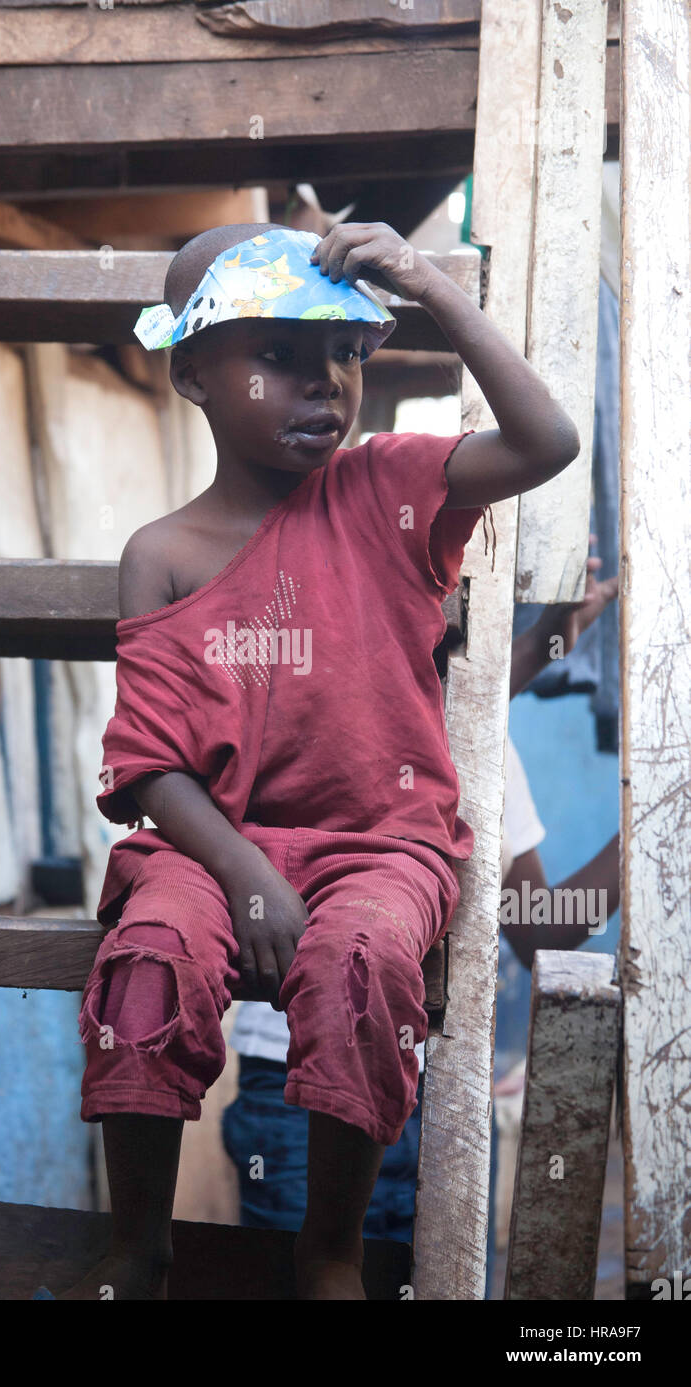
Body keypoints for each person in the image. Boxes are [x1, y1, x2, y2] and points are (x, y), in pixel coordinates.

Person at [55, 220, 581, 1301]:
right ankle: (141, 1239)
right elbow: (150, 764)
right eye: (279, 357)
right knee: (145, 952)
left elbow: (545, 441)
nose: (322, 385)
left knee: (360, 958)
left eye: (342, 354)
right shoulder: (159, 555)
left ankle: (328, 1250)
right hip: (208, 852)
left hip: (381, 846)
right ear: (192, 372)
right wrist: (245, 875)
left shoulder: (388, 488)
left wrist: (430, 287)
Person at [222, 546, 619, 1257]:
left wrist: (653, 816)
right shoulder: (283, 708)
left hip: (445, 1091)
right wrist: (543, 643)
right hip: (297, 1088)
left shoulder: (479, 748)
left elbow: (540, 934)